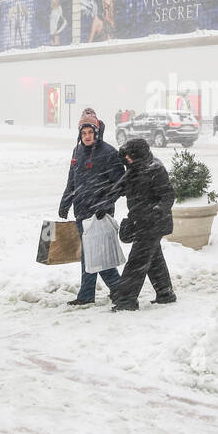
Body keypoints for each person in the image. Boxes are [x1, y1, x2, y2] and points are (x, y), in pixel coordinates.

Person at [97, 139, 175, 312]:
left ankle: (126, 300)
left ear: (138, 155)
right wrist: (105, 204)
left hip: (153, 223)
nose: (127, 160)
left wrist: (157, 210)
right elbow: (119, 188)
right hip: (141, 221)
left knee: (137, 262)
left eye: (129, 157)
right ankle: (165, 292)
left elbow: (168, 195)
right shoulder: (134, 170)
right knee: (154, 260)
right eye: (125, 157)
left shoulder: (155, 169)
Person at [58, 108, 124, 306]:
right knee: (92, 256)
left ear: (97, 132)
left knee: (95, 256)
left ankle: (116, 289)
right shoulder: (77, 151)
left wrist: (106, 203)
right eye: (83, 133)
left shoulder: (109, 153)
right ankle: (114, 289)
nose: (87, 136)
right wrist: (65, 201)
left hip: (99, 213)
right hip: (82, 211)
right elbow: (72, 179)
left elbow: (120, 184)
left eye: (90, 133)